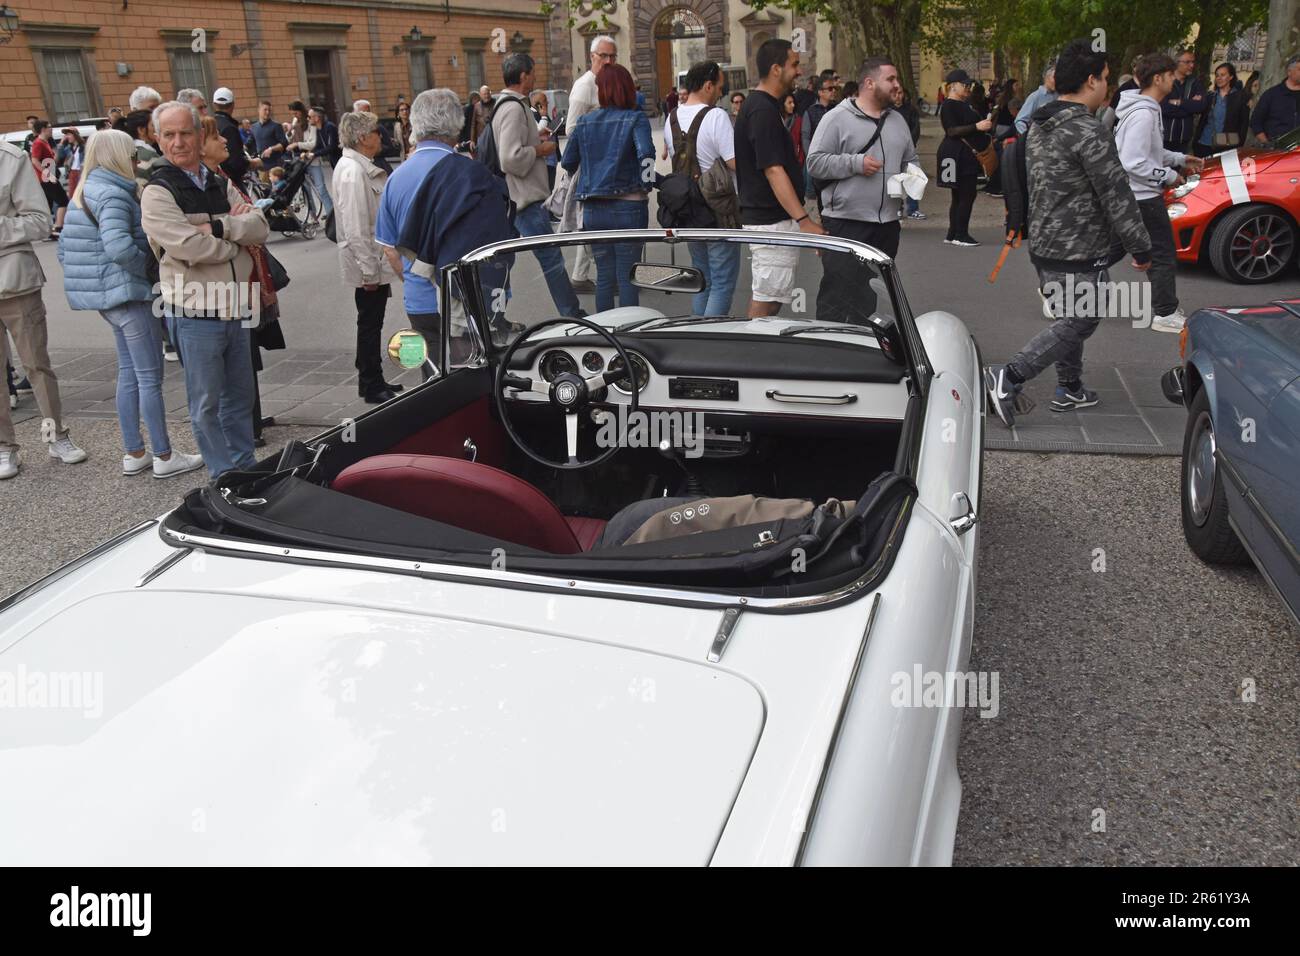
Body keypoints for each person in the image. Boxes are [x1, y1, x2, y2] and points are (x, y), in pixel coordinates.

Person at [984, 38, 1152, 428]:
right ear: (1091, 81)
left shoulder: (1042, 122)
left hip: (1045, 241)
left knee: (1067, 315)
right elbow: (1117, 195)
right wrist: (1141, 247)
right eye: (1107, 78)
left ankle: (1070, 386)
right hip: (1078, 245)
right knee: (1082, 318)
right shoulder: (1088, 132)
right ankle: (1009, 377)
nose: (1109, 86)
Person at [57, 129, 203, 479]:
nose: (137, 162)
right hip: (131, 294)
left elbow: (64, 249)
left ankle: (134, 450)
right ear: (118, 157)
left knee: (129, 374)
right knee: (149, 378)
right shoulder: (114, 194)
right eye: (132, 155)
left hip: (108, 298)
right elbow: (119, 247)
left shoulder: (86, 189)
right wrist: (151, 274)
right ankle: (164, 455)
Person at [141, 100, 270, 478]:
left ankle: (244, 470)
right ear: (158, 139)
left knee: (240, 398)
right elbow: (189, 248)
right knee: (206, 405)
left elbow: (259, 226)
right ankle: (223, 477)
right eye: (169, 134)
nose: (178, 142)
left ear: (200, 135)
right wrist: (235, 238)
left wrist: (216, 227)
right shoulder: (158, 191)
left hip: (236, 305)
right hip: (195, 312)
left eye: (185, 132)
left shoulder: (217, 180)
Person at [0, 138, 88, 479]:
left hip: (15, 281)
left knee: (37, 365)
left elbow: (39, 221)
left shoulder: (11, 159)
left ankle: (56, 436)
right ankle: (5, 446)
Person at [808, 57, 917, 322]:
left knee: (868, 294)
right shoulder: (836, 118)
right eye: (890, 79)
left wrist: (912, 181)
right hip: (846, 222)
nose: (897, 85)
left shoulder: (898, 121)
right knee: (837, 293)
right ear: (869, 83)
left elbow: (911, 160)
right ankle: (826, 350)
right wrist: (855, 163)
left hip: (887, 226)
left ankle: (860, 347)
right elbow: (814, 163)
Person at [735, 38, 825, 317]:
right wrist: (804, 220)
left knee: (771, 297)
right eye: (794, 64)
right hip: (770, 222)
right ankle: (750, 356)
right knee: (768, 299)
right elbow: (774, 170)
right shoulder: (762, 110)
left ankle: (754, 353)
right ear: (776, 69)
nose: (799, 71)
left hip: (770, 219)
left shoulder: (763, 106)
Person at [1116, 53, 1204, 335]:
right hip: (1143, 197)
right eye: (1170, 75)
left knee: (1110, 250)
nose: (1175, 80)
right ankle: (1165, 313)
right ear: (1158, 78)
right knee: (1163, 254)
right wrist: (1169, 176)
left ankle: (1061, 294)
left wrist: (1178, 158)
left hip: (1134, 195)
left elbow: (1149, 153)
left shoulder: (1145, 109)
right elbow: (1134, 161)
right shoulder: (1144, 114)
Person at [375, 89, 463, 366]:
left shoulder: (396, 177)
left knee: (430, 376)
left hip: (418, 301)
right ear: (456, 123)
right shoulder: (467, 172)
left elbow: (389, 248)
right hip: (461, 298)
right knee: (469, 378)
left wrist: (413, 277)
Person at [494, 52, 586, 317]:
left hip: (515, 198)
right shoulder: (512, 107)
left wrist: (535, 137)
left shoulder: (511, 104)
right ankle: (573, 315)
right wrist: (540, 150)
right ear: (523, 75)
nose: (535, 77)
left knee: (502, 262)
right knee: (552, 260)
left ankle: (494, 318)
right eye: (532, 72)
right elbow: (509, 158)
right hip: (524, 198)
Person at [562, 62, 655, 312]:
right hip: (629, 206)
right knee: (628, 277)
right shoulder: (635, 118)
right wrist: (647, 184)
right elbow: (646, 153)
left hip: (594, 209)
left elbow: (567, 160)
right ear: (627, 88)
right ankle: (628, 334)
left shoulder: (584, 122)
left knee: (604, 275)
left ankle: (605, 333)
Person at [663, 60, 741, 317]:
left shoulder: (671, 117)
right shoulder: (716, 116)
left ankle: (695, 333)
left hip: (687, 210)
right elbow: (733, 162)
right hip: (718, 211)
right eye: (720, 86)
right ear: (708, 85)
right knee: (721, 281)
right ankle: (710, 339)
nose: (722, 91)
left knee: (702, 277)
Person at [334, 111, 402, 404]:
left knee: (372, 320)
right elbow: (356, 228)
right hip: (368, 260)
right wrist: (369, 270)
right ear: (363, 138)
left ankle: (371, 377)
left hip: (371, 259)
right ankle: (371, 383)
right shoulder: (353, 171)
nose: (380, 136)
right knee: (370, 322)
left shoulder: (359, 166)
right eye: (376, 131)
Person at [562, 34, 619, 294]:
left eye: (612, 56)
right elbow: (572, 127)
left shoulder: (607, 83)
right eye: (603, 56)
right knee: (593, 221)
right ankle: (608, 276)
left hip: (604, 164)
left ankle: (580, 275)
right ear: (592, 57)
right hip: (591, 165)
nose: (608, 60)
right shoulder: (585, 85)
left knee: (591, 221)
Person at [937, 69, 991, 246]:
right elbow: (951, 131)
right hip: (958, 154)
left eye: (969, 84)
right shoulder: (949, 105)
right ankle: (961, 234)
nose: (968, 87)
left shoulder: (963, 104)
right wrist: (977, 126)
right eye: (964, 84)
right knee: (966, 194)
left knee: (960, 195)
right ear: (953, 86)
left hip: (960, 153)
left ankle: (953, 233)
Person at [1193, 62, 1250, 157]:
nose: (1219, 78)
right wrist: (1196, 102)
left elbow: (1243, 124)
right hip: (1204, 143)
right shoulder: (1210, 96)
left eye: (1223, 75)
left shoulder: (1241, 97)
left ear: (1231, 77)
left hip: (1227, 146)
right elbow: (1200, 114)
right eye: (1217, 75)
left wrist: (1239, 145)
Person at [288, 106, 336, 215]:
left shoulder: (323, 127)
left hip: (319, 160)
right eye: (292, 114)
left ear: (317, 118)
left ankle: (332, 214)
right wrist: (291, 131)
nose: (294, 116)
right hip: (302, 160)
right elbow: (319, 145)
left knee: (321, 188)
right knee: (307, 190)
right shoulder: (298, 126)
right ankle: (314, 216)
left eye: (296, 113)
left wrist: (311, 152)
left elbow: (322, 145)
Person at [28, 122, 68, 240]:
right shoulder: (38, 143)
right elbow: (34, 160)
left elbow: (50, 160)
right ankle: (58, 228)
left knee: (48, 205)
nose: (51, 130)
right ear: (43, 129)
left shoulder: (45, 142)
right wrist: (48, 174)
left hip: (49, 176)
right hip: (46, 178)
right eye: (50, 127)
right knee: (63, 201)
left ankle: (49, 231)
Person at [801, 72, 837, 204]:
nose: (833, 91)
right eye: (830, 89)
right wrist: (810, 155)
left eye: (835, 88)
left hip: (836, 158)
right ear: (820, 92)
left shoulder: (838, 109)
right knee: (820, 196)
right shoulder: (810, 111)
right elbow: (805, 136)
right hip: (819, 159)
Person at [1162, 49, 1206, 153]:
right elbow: (1164, 107)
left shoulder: (1195, 83)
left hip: (1184, 139)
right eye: (1187, 62)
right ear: (1177, 63)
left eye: (1193, 62)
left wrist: (1179, 102)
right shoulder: (1167, 81)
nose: (1191, 65)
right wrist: (1189, 106)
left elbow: (1201, 106)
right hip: (1165, 137)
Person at [212, 87, 258, 185]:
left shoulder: (210, 124)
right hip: (231, 181)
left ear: (214, 105)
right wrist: (252, 163)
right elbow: (236, 162)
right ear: (232, 105)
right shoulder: (230, 128)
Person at [892, 84, 926, 220]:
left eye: (900, 93)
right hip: (892, 150)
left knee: (914, 178)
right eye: (895, 93)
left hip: (908, 149)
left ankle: (913, 209)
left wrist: (909, 144)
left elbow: (915, 129)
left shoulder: (910, 109)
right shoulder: (887, 110)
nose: (898, 96)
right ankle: (896, 208)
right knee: (894, 180)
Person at [1249, 54, 1300, 143]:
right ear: (1289, 71)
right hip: (1277, 149)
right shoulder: (1272, 95)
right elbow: (1255, 122)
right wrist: (1267, 143)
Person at [1014, 63, 1057, 136]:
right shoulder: (1035, 96)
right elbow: (1020, 121)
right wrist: (1029, 137)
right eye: (1055, 77)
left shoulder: (1060, 95)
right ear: (1046, 77)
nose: (1058, 80)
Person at [251, 100, 290, 173]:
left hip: (276, 166)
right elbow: (250, 142)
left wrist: (271, 149)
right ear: (259, 110)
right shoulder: (254, 127)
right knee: (263, 184)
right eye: (265, 110)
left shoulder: (276, 126)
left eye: (269, 110)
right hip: (261, 166)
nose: (268, 112)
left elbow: (284, 144)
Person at [530, 90, 558, 190]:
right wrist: (544, 116)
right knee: (547, 191)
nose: (547, 102)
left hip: (551, 158)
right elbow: (538, 131)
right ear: (538, 105)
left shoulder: (541, 114)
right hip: (545, 160)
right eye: (544, 100)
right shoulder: (532, 115)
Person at [63, 129, 86, 197]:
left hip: (81, 172)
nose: (67, 137)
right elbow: (60, 155)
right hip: (72, 172)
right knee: (72, 195)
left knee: (81, 194)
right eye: (66, 135)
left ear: (75, 135)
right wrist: (61, 143)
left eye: (69, 134)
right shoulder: (68, 148)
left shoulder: (84, 147)